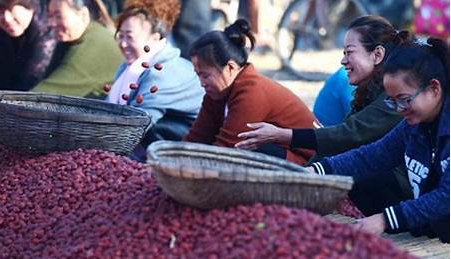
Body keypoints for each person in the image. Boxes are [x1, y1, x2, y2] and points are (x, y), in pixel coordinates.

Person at [237, 15, 415, 202]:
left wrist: (283, 135)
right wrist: (304, 173)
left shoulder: (394, 95)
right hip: (343, 163)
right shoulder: (368, 90)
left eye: (349, 52)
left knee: (357, 171)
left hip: (399, 190)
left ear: (377, 55)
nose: (343, 61)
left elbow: (350, 134)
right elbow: (339, 142)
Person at [309, 38, 449, 243]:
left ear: (434, 88)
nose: (400, 109)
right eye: (393, 102)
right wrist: (317, 170)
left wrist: (385, 219)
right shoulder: (414, 126)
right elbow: (372, 156)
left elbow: (446, 197)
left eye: (404, 99)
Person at [184, 19, 317, 166]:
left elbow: (225, 151)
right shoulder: (217, 92)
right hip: (278, 155)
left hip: (305, 163)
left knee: (247, 150)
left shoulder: (252, 91)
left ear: (230, 68)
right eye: (198, 75)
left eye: (205, 75)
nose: (201, 82)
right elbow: (196, 139)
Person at [109, 0, 204, 160]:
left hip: (189, 147)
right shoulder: (129, 67)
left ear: (155, 38)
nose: (123, 44)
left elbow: (136, 124)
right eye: (121, 36)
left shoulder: (163, 72)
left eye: (130, 37)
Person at [31, 0, 123, 99]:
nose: (51, 23)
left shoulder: (94, 43)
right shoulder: (70, 39)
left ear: (83, 15)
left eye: (58, 16)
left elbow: (47, 92)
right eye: (50, 16)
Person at [0, 0, 57, 91]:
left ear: (30, 7)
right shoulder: (0, 25)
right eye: (0, 11)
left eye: (10, 10)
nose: (7, 18)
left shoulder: (46, 27)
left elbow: (33, 81)